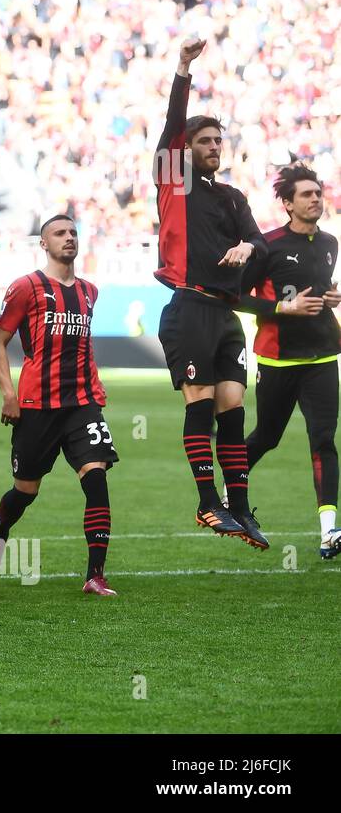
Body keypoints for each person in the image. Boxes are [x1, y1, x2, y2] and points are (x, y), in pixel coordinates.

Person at [154, 38, 268, 547]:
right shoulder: (175, 183)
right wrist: (183, 69)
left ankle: (239, 509)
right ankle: (206, 504)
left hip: (225, 316)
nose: (214, 148)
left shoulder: (233, 196)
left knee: (233, 408)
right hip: (189, 305)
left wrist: (248, 246)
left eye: (219, 141)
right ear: (186, 150)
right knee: (199, 406)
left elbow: (261, 243)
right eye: (205, 141)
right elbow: (172, 125)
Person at [0, 215, 120, 597]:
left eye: (73, 233)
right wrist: (8, 395)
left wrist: (95, 383)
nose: (69, 239)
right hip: (36, 406)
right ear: (44, 244)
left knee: (96, 478)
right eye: (60, 234)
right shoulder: (26, 287)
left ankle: (95, 574)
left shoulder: (89, 291)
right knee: (26, 490)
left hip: (82, 404)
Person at [235, 164, 341, 559]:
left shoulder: (330, 242)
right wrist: (283, 306)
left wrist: (330, 298)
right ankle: (228, 493)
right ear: (287, 203)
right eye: (307, 194)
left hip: (324, 355)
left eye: (318, 193)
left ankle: (329, 531)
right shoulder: (266, 246)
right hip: (278, 361)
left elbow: (322, 287)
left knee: (324, 440)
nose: (316, 199)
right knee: (267, 437)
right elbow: (236, 296)